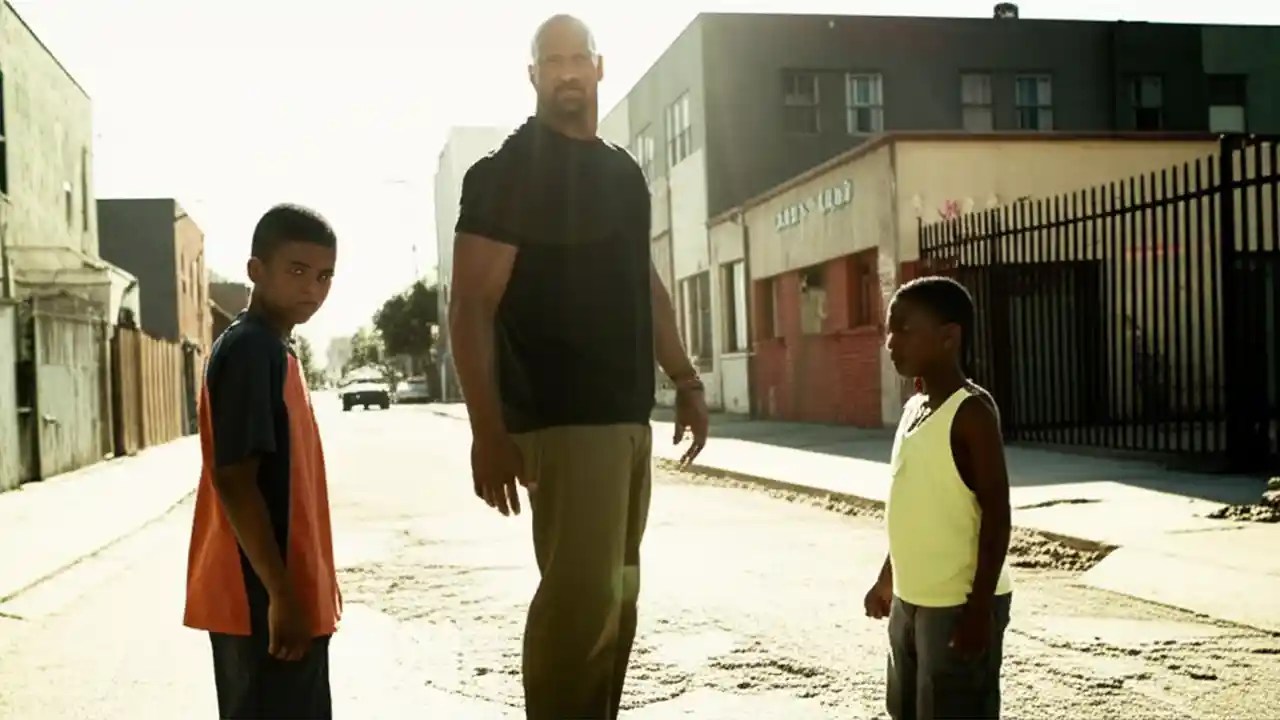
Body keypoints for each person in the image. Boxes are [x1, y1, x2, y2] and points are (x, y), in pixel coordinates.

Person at [448, 13, 709, 720]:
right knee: (580, 602)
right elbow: (470, 304)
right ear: (533, 75)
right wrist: (487, 430)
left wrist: (685, 380)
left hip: (627, 417)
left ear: (600, 67)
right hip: (562, 419)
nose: (566, 71)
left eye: (577, 58)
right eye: (551, 60)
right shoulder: (505, 174)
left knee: (618, 602)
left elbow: (644, 283)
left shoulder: (623, 173)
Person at [183, 204, 342, 720]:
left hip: (276, 596)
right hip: (261, 600)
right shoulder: (254, 350)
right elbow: (234, 479)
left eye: (324, 276)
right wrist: (282, 594)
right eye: (297, 271)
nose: (313, 289)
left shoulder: (274, 348)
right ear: (256, 271)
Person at [864, 276, 1014, 720]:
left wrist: (978, 611)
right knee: (906, 708)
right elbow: (916, 508)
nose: (891, 342)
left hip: (958, 604)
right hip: (912, 600)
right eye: (889, 329)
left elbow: (997, 516)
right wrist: (888, 577)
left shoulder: (970, 413)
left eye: (904, 329)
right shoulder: (914, 409)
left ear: (948, 338)